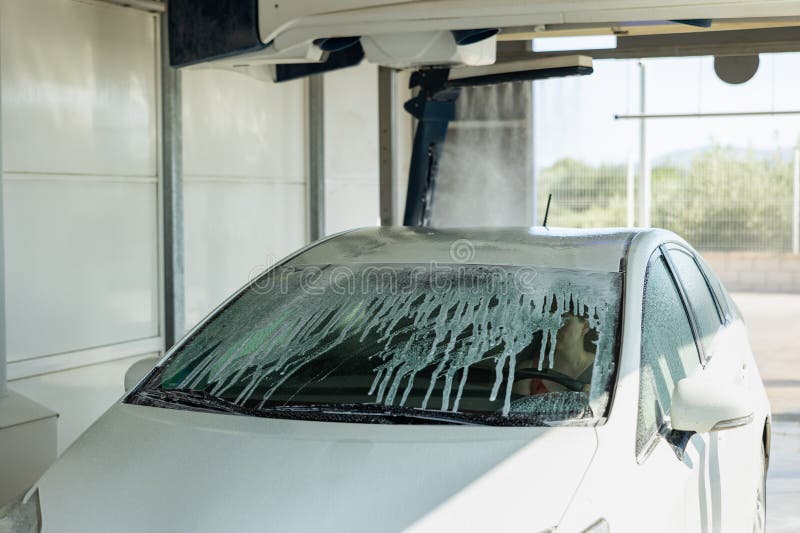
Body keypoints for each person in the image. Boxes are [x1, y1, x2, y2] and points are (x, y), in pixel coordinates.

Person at [513, 312, 597, 396]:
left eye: (563, 320)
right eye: (549, 320)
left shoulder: (602, 371)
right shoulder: (528, 372)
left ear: (585, 326)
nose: (552, 328)